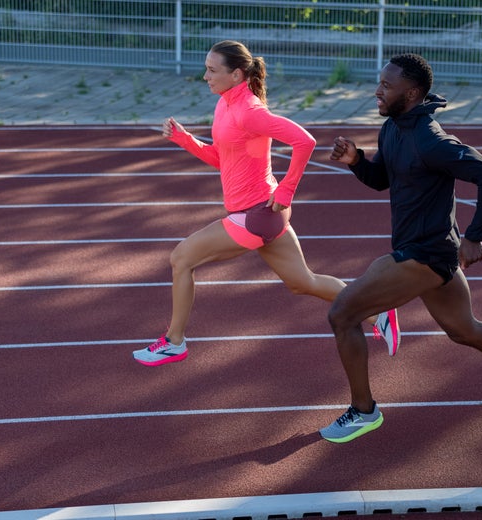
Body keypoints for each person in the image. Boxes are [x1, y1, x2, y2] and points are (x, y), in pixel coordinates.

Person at [320, 53, 482, 443]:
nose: (377, 91)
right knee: (463, 330)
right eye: (380, 83)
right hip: (430, 252)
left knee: (342, 314)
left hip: (424, 255)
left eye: (387, 86)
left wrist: (476, 234)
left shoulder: (430, 139)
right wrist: (356, 161)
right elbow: (383, 180)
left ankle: (364, 411)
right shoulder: (392, 129)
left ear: (413, 92)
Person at [132, 40, 400, 366]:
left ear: (236, 74)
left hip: (255, 215)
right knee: (304, 282)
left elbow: (305, 141)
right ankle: (377, 311)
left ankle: (175, 341)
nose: (205, 76)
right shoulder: (225, 105)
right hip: (264, 215)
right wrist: (185, 139)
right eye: (206, 68)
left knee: (181, 258)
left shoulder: (249, 111)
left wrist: (286, 190)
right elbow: (222, 159)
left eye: (212, 70)